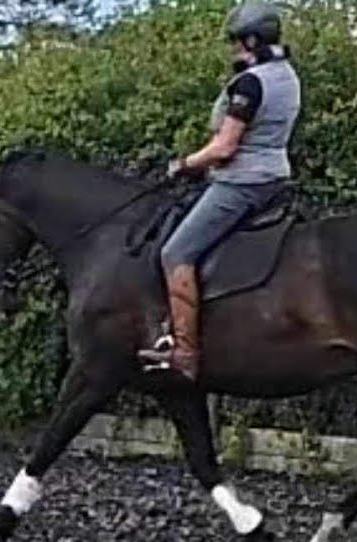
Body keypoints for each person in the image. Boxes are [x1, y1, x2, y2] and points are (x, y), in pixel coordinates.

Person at [137, 1, 301, 382]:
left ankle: (185, 352)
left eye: (237, 43)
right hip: (275, 175)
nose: (234, 51)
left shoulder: (251, 83)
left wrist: (185, 164)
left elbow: (225, 147)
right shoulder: (287, 76)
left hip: (242, 183)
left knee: (176, 251)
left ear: (251, 40)